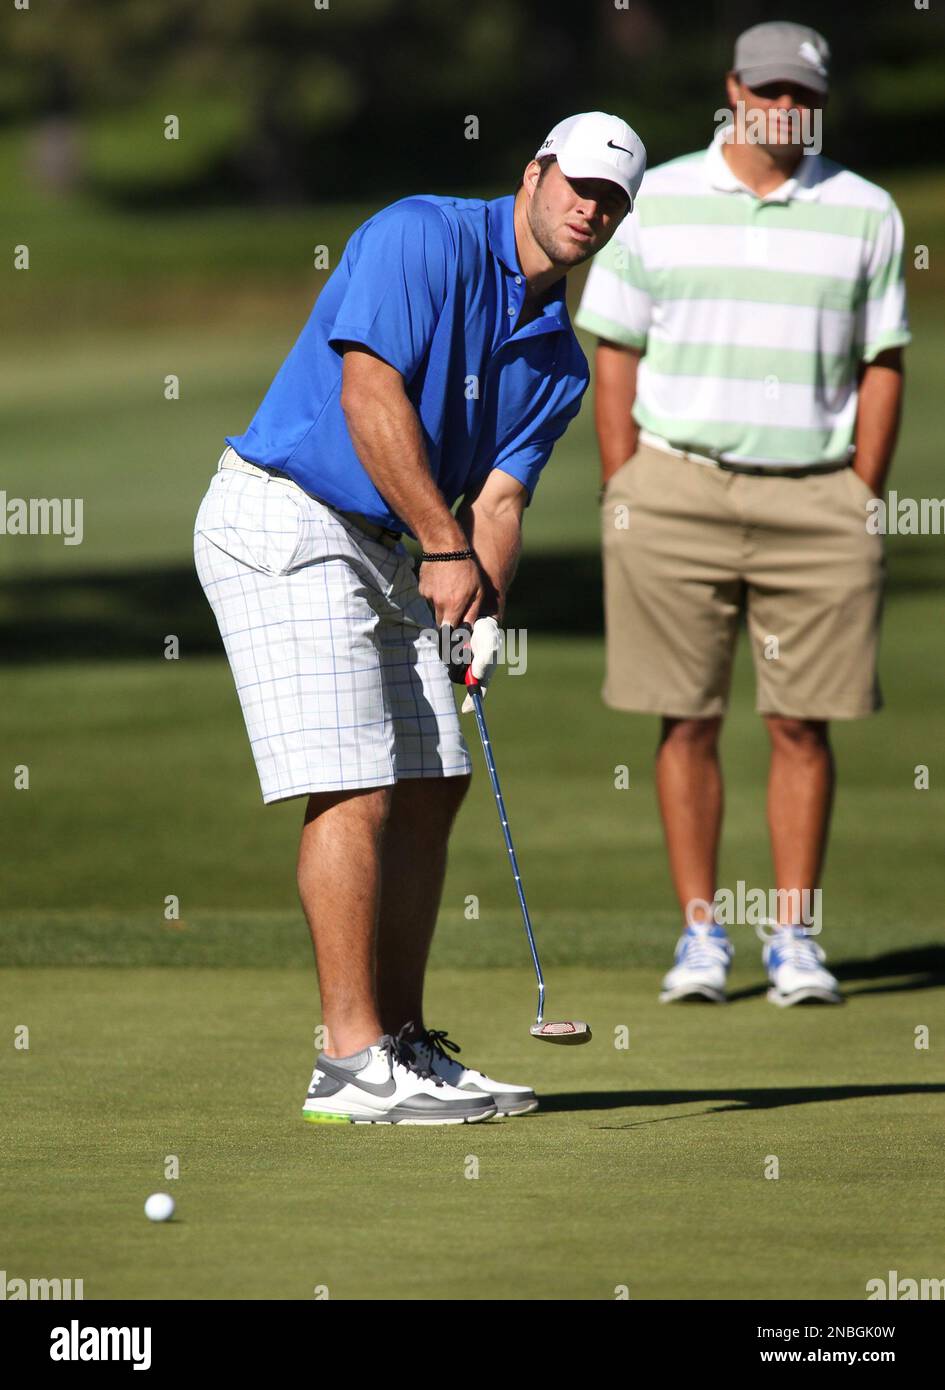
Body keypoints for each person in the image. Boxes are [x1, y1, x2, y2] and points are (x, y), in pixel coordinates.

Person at [194, 112, 645, 1121]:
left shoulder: (560, 362)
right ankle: (350, 1064)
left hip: (401, 541)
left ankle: (401, 1043)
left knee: (434, 775)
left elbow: (501, 501)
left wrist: (479, 597)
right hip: (286, 515)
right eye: (578, 184)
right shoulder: (421, 235)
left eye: (613, 200)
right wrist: (443, 551)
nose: (591, 208)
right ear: (534, 173)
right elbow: (369, 393)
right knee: (356, 780)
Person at [576, 22, 909, 1007]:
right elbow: (615, 352)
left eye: (800, 93)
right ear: (732, 89)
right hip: (675, 484)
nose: (784, 108)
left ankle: (795, 937)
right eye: (767, 90)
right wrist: (623, 484)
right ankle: (701, 936)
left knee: (803, 723)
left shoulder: (867, 211)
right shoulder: (660, 199)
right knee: (688, 719)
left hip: (817, 494)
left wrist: (861, 490)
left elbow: (882, 361)